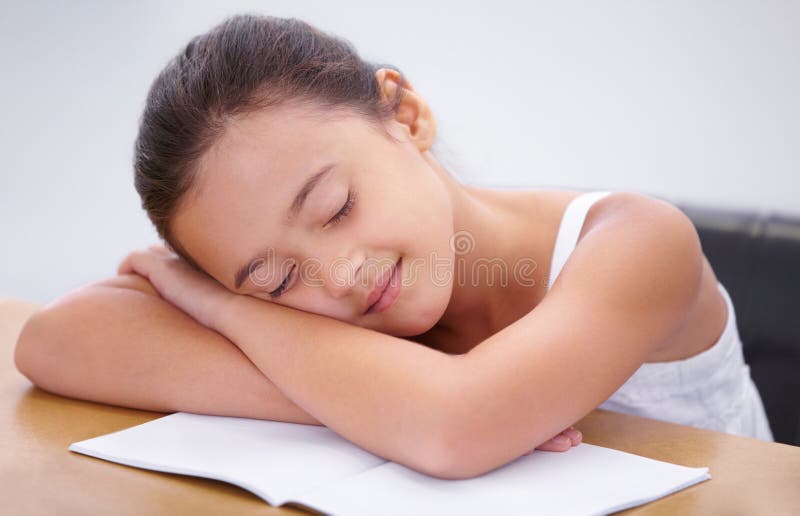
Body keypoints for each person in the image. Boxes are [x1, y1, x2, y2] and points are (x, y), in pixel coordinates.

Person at [14, 14, 772, 480]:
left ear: (405, 115)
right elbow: (54, 339)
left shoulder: (640, 241)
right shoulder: (327, 299)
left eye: (336, 208)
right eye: (275, 282)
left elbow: (452, 427)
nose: (339, 276)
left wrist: (227, 309)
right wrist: (379, 401)